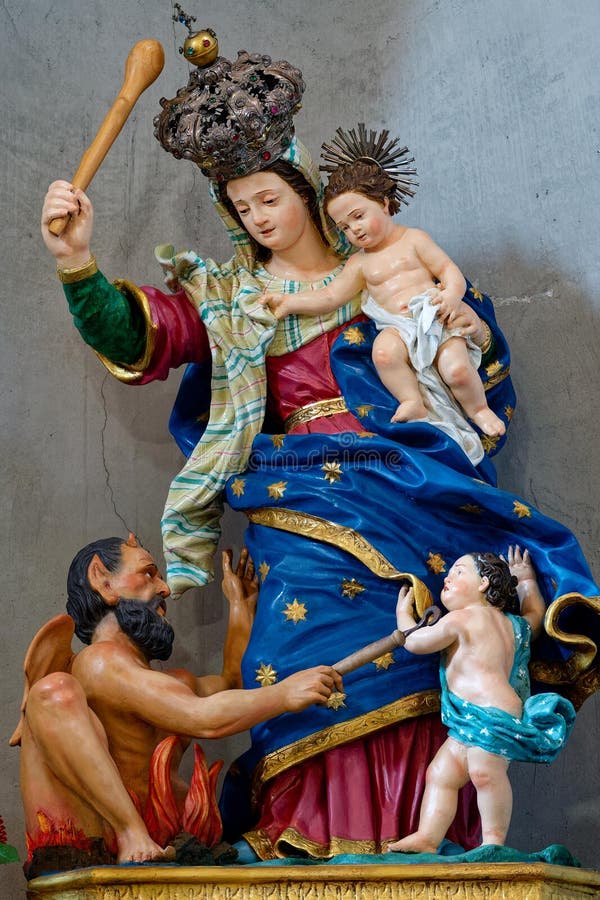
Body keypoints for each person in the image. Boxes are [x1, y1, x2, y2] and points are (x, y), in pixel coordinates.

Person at [40, 39, 599, 860]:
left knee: (428, 651)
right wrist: (77, 265)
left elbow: (473, 354)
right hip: (294, 491)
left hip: (408, 481)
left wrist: (466, 330)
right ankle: (314, 834)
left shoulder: (382, 267)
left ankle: (425, 838)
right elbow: (143, 335)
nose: (260, 218)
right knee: (290, 652)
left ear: (305, 189)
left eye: (270, 197)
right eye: (243, 208)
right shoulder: (234, 296)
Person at [12, 534, 341, 876]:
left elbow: (230, 684)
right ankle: (129, 831)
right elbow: (203, 718)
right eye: (148, 573)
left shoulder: (167, 685)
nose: (165, 589)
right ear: (103, 581)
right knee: (54, 690)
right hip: (89, 837)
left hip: (161, 843)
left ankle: (138, 834)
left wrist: (240, 608)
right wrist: (284, 694)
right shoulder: (99, 663)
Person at [260, 150, 505, 439]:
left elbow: (447, 269)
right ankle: (411, 401)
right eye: (344, 227)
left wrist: (451, 295)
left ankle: (479, 410)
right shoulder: (359, 263)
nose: (355, 229)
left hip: (433, 318)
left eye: (358, 216)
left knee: (457, 372)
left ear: (384, 203)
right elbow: (329, 297)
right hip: (397, 326)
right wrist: (289, 302)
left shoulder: (414, 239)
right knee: (384, 354)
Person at [389, 547, 575, 853]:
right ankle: (428, 837)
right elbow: (535, 616)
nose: (447, 577)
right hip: (471, 718)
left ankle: (493, 842)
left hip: (491, 715)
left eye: (459, 572)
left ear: (484, 584)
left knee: (484, 773)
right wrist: (527, 582)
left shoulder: (460, 619)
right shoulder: (513, 625)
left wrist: (402, 615)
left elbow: (416, 642)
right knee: (441, 774)